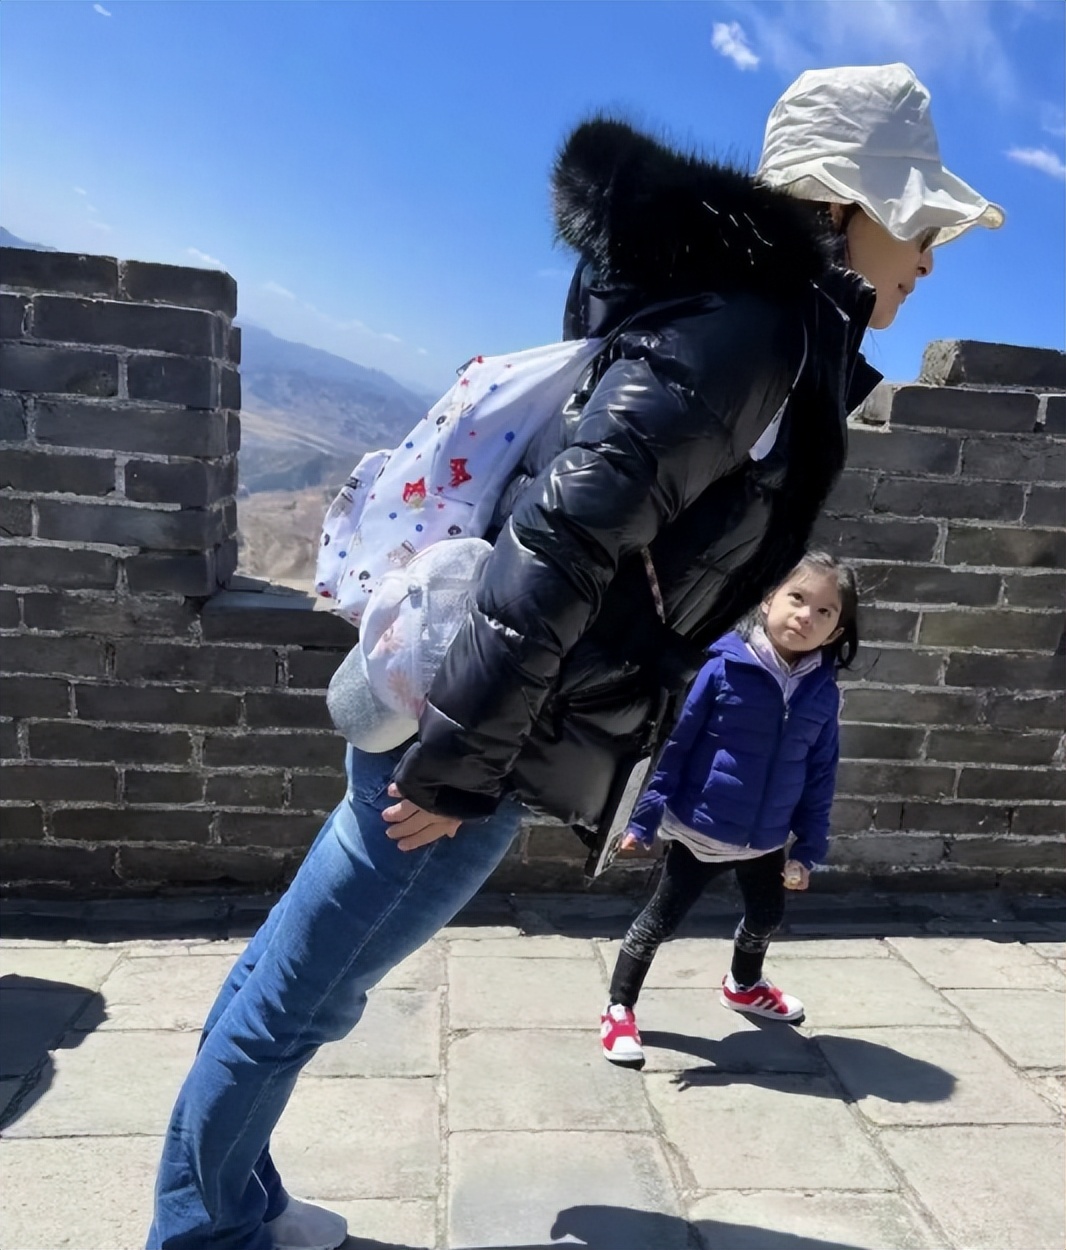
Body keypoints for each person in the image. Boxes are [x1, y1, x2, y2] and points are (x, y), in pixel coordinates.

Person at [148, 62, 1001, 1250]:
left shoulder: (744, 320)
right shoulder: (745, 335)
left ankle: (232, 1204)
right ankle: (205, 1234)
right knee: (298, 998)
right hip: (475, 731)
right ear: (849, 205)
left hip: (481, 715)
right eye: (919, 226)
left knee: (291, 978)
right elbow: (561, 543)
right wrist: (458, 769)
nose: (928, 258)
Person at [600, 552, 857, 1068]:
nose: (807, 616)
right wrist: (644, 817)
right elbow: (674, 747)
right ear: (767, 599)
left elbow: (821, 773)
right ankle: (618, 1008)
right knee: (660, 922)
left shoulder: (822, 693)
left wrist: (808, 848)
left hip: (766, 837)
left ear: (835, 632)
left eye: (826, 612)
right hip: (703, 829)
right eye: (798, 598)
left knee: (767, 912)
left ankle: (743, 983)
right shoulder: (721, 668)